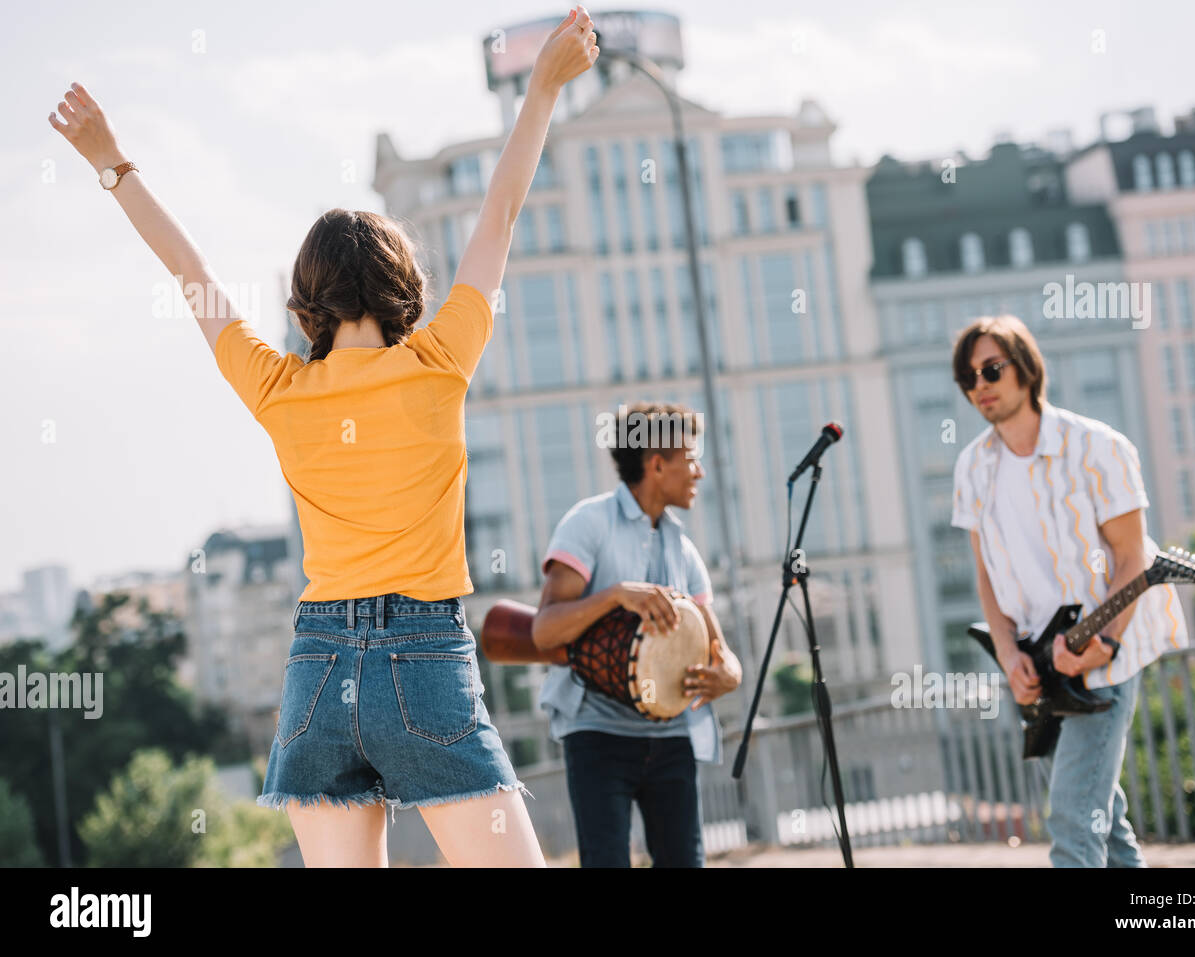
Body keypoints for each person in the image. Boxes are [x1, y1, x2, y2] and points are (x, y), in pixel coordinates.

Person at [48, 6, 603, 867]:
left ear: (307, 298)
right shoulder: (440, 359)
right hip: (422, 661)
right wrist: (541, 91)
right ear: (403, 285)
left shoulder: (281, 388)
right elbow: (498, 220)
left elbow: (192, 276)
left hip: (315, 671)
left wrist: (111, 163)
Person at [949, 315, 1189, 867]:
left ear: (1027, 369)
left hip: (1106, 655)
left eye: (991, 369)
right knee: (1105, 830)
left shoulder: (1097, 447)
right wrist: (1010, 657)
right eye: (968, 377)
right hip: (1040, 662)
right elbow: (986, 575)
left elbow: (1133, 557)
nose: (979, 385)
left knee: (1072, 821)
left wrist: (1102, 641)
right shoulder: (972, 469)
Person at [532, 402, 743, 867]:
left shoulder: (683, 549)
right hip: (598, 735)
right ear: (657, 463)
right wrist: (613, 595)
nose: (699, 472)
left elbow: (720, 651)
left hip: (671, 738)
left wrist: (729, 673)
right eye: (691, 457)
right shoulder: (589, 523)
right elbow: (544, 630)